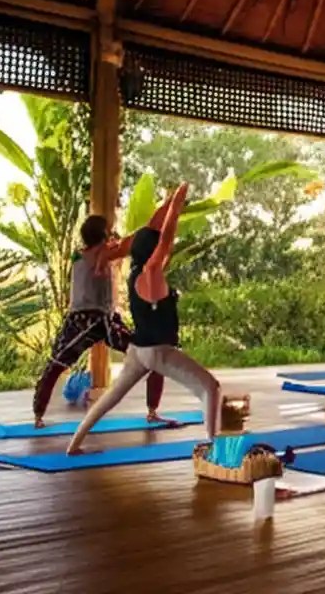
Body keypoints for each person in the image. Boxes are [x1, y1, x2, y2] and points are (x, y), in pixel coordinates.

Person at [67, 183, 222, 454]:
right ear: (155, 252)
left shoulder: (136, 271)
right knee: (210, 387)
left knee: (109, 398)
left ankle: (74, 444)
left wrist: (170, 201)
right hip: (157, 352)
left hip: (137, 350)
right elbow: (166, 235)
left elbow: (154, 227)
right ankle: (215, 450)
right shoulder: (151, 272)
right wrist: (177, 203)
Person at [33, 215, 171, 428]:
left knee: (56, 365)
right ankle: (152, 411)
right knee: (151, 355)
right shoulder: (100, 253)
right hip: (85, 320)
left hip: (101, 319)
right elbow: (138, 236)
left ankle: (38, 416)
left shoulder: (86, 255)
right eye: (109, 230)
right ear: (103, 234)